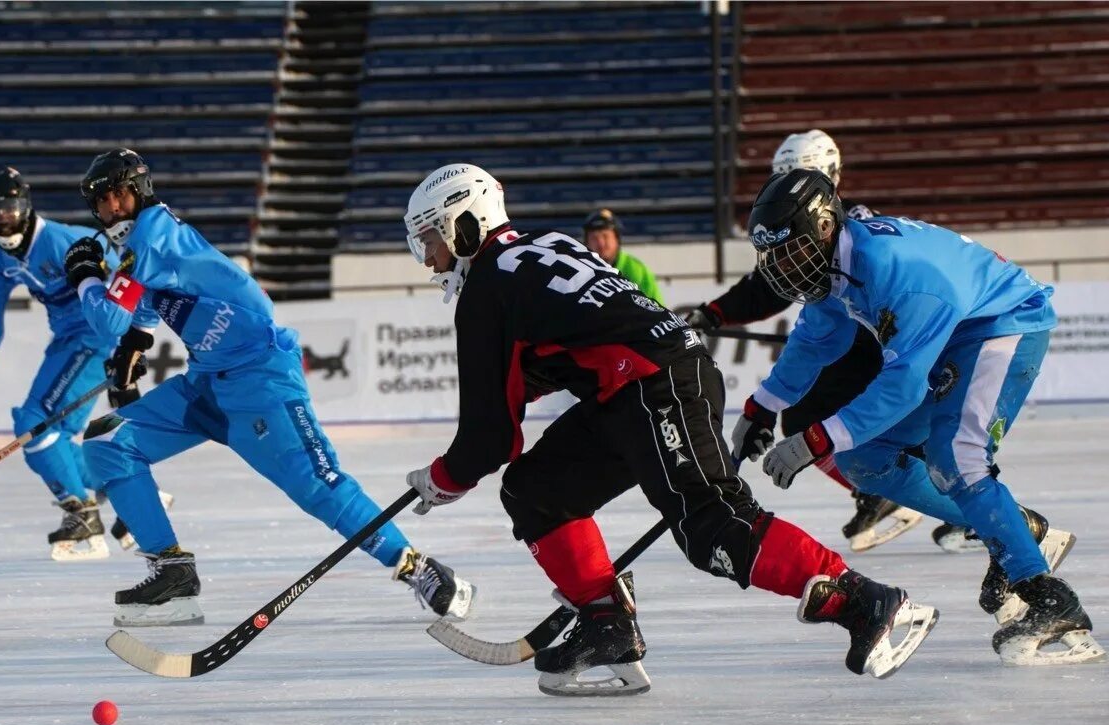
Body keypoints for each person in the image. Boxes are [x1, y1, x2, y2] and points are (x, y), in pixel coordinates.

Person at [400, 163, 937, 696]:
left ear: (463, 224)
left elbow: (490, 437)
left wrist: (444, 479)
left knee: (715, 527)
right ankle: (606, 624)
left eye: (430, 239)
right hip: (641, 385)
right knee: (536, 490)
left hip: (653, 387)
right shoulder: (542, 243)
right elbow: (557, 355)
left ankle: (865, 601)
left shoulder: (485, 291)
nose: (429, 260)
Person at [63, 148, 475, 627]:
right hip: (208, 383)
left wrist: (85, 276)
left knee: (319, 487)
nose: (111, 208)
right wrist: (140, 336)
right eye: (102, 201)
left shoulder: (149, 238)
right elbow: (153, 298)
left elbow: (107, 316)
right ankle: (171, 574)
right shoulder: (145, 240)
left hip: (260, 380)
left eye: (118, 195)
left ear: (140, 191)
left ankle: (416, 567)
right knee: (108, 443)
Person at [738, 168, 1103, 666]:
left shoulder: (895, 271)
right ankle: (1016, 528)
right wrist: (763, 408)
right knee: (865, 459)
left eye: (788, 251)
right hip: (961, 330)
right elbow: (816, 341)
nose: (780, 268)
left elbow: (901, 386)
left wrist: (815, 439)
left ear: (824, 228)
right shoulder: (833, 267)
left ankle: (1050, 598)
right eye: (771, 256)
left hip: (1004, 323)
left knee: (958, 456)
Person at [685, 129, 928, 553]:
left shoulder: (828, 226)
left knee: (807, 419)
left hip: (867, 341)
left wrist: (715, 312)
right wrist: (716, 312)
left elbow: (768, 287)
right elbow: (772, 283)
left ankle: (905, 494)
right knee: (888, 431)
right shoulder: (842, 217)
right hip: (865, 338)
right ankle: (942, 503)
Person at [0, 167, 121, 560]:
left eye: (9, 208)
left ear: (26, 206)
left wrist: (129, 341)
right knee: (53, 433)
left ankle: (81, 513)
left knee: (32, 421)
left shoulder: (62, 241)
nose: (3, 219)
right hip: (67, 341)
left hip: (96, 337)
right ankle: (126, 488)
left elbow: (128, 270)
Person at [582, 208, 664, 305]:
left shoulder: (637, 270)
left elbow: (657, 309)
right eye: (594, 238)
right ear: (586, 242)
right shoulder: (582, 271)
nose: (600, 243)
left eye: (605, 236)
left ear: (617, 239)